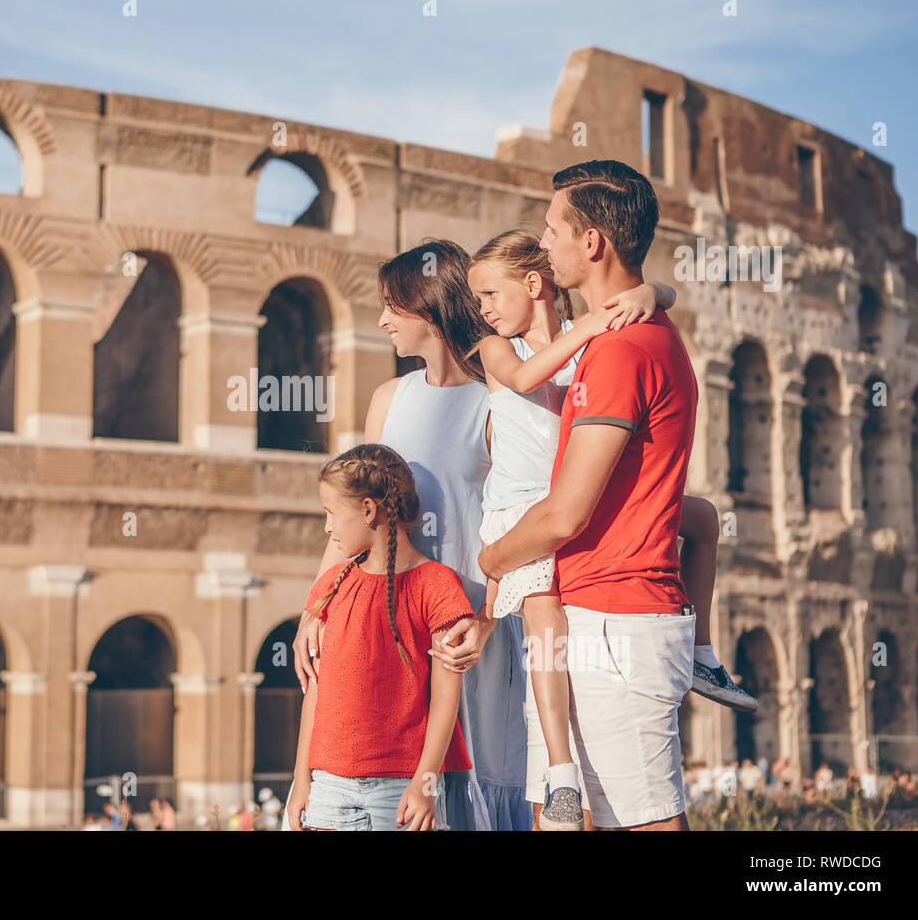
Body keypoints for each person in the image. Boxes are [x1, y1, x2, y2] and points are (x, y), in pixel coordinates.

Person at [458, 229, 742, 828]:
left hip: (578, 501)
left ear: (533, 285)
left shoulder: (594, 344)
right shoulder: (499, 346)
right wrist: (597, 322)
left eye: (488, 292)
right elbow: (528, 378)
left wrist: (650, 292)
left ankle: (702, 649)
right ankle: (561, 768)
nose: (480, 307)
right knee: (546, 626)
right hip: (527, 508)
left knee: (705, 518)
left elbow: (653, 295)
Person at [289, 239, 530, 830]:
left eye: (393, 306)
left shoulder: (497, 401)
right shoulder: (387, 400)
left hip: (470, 618)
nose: (382, 320)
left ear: (430, 307)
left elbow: (519, 521)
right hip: (390, 621)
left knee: (479, 766)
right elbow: (353, 518)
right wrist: (312, 609)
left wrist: (490, 616)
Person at [287, 444, 475, 830]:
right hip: (329, 789)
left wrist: (425, 783)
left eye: (331, 513)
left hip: (403, 790)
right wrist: (300, 779)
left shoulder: (436, 585)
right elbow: (315, 691)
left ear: (369, 511)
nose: (327, 528)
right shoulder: (330, 587)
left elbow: (445, 696)